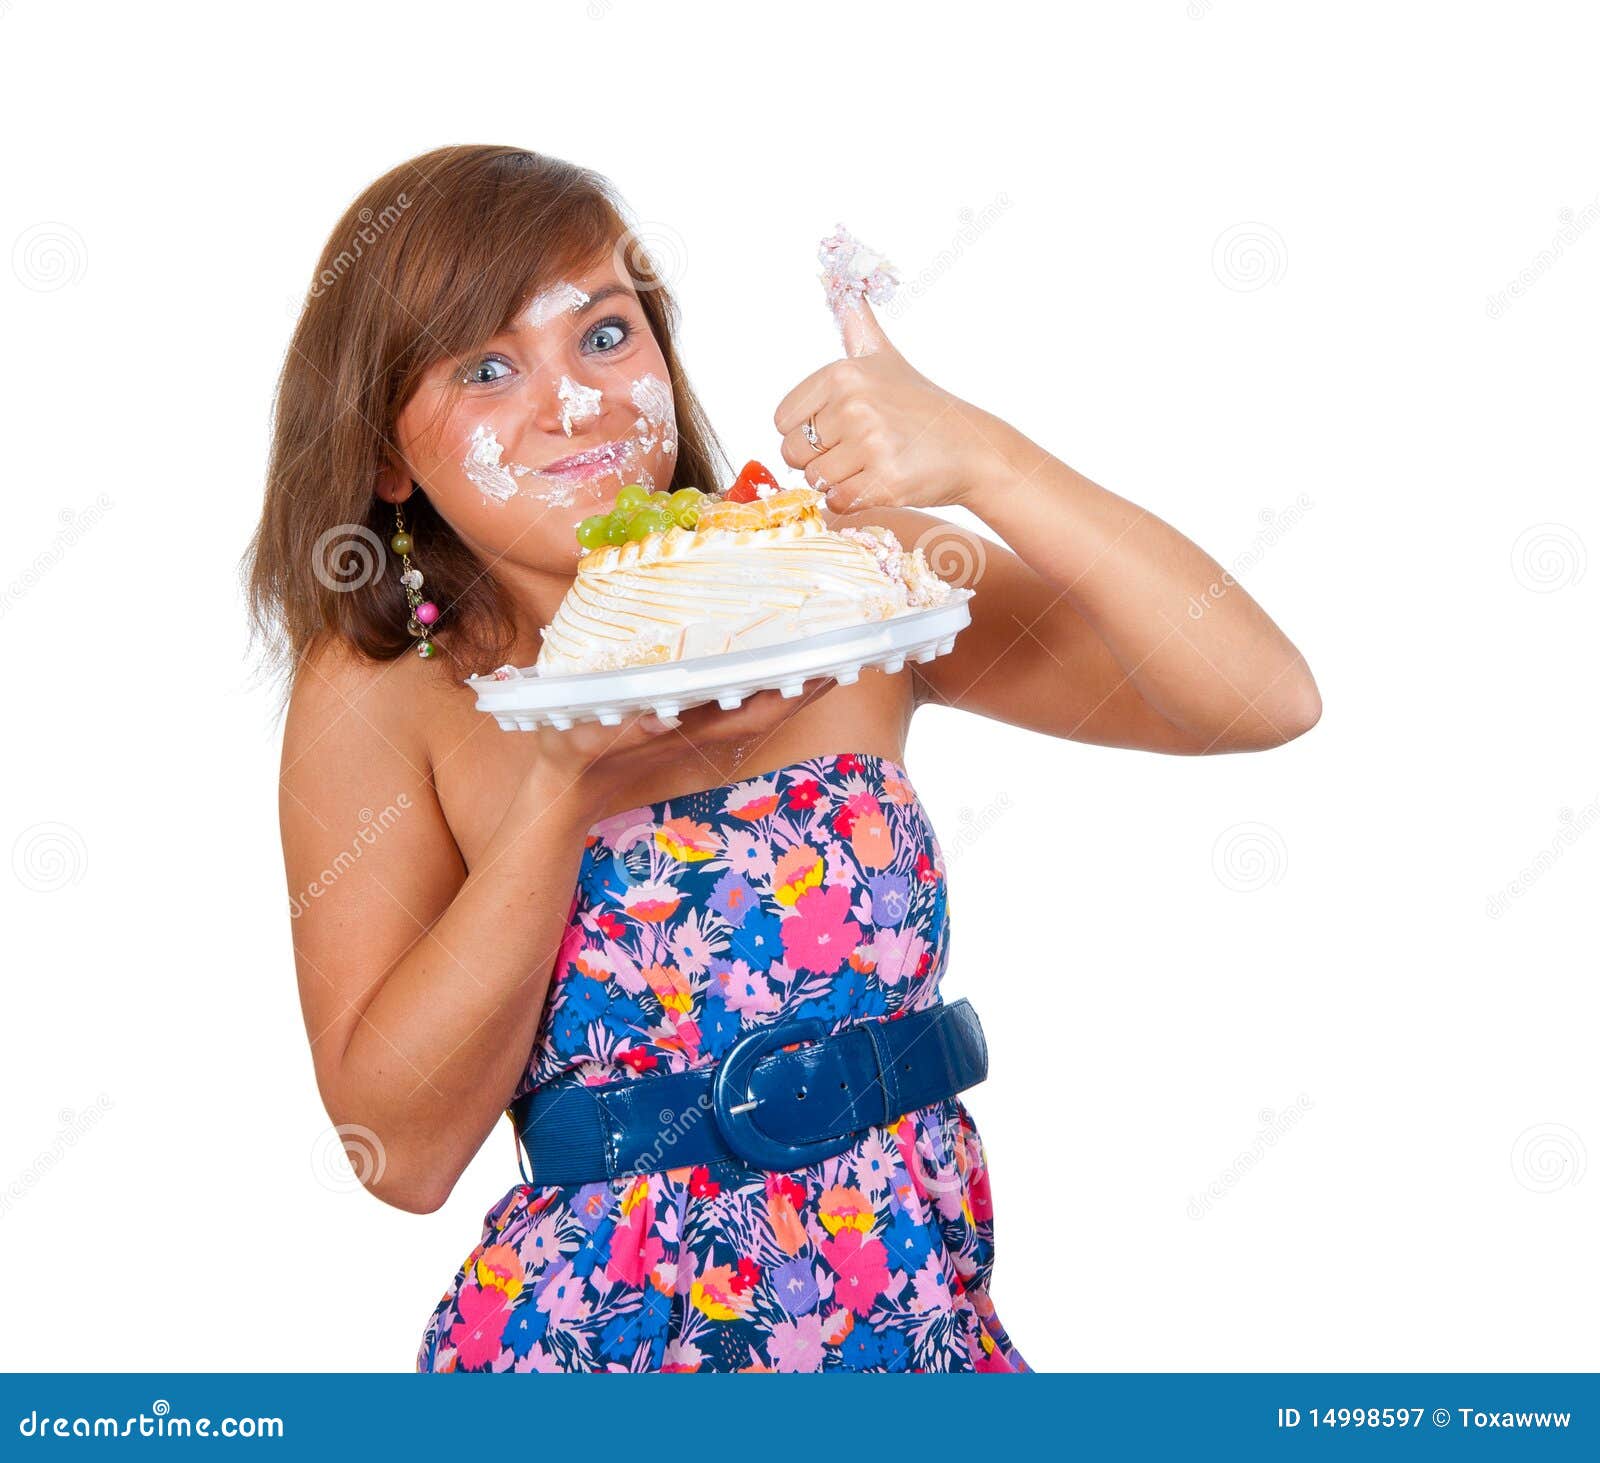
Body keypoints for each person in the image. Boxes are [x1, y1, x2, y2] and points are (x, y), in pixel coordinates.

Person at [244, 144, 1320, 1373]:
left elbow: (1260, 694)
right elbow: (404, 1150)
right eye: (487, 367)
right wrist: (557, 794)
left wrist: (988, 460)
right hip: (594, 1356)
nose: (574, 402)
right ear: (388, 456)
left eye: (604, 335)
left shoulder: (839, 575)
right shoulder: (387, 689)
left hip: (913, 1329)